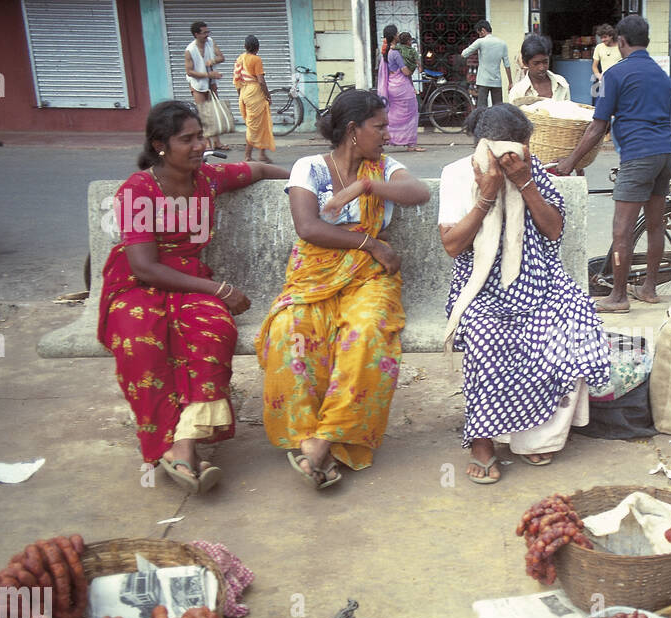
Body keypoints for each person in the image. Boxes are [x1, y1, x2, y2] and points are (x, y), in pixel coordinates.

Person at [99, 101, 288, 493]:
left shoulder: (208, 179)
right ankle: (168, 445)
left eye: (200, 136)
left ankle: (184, 443)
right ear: (160, 145)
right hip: (138, 284)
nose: (200, 145)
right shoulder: (137, 190)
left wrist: (308, 180)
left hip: (188, 283)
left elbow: (258, 169)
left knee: (214, 330)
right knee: (141, 341)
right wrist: (219, 289)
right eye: (188, 139)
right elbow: (144, 267)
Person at [257, 90, 430, 489]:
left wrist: (367, 186)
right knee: (290, 332)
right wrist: (372, 243)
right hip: (317, 273)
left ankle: (323, 442)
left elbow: (419, 193)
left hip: (369, 278)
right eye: (380, 126)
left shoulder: (384, 168)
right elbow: (308, 227)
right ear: (353, 130)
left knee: (367, 332)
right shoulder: (309, 168)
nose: (388, 133)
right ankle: (310, 440)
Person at [438, 105, 610, 484]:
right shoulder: (457, 175)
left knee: (574, 314)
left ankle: (538, 435)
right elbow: (452, 246)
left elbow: (552, 232)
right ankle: (482, 442)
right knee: (486, 335)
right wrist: (487, 194)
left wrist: (525, 183)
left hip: (539, 279)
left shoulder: (536, 174)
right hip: (480, 287)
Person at [554, 15, 671, 313]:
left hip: (637, 156)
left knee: (621, 231)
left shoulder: (613, 74)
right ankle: (648, 288)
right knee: (655, 223)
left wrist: (570, 161)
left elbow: (598, 126)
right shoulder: (663, 76)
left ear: (621, 41)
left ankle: (619, 296)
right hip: (666, 154)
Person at [184, 21, 230, 151]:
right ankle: (207, 143)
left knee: (213, 111)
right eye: (204, 32)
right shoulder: (190, 50)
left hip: (211, 82)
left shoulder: (210, 42)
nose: (207, 35)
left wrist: (213, 60)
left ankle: (217, 142)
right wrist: (208, 75)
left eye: (207, 32)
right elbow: (189, 71)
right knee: (204, 114)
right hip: (198, 84)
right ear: (196, 34)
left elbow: (221, 57)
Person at [378, 25, 423, 152]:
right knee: (412, 113)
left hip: (392, 86)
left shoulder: (387, 53)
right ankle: (410, 144)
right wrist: (414, 66)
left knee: (393, 114)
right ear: (393, 36)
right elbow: (406, 72)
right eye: (397, 33)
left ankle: (383, 136)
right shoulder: (396, 53)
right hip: (402, 87)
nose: (399, 35)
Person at [232, 35, 274, 164]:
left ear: (245, 47)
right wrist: (267, 95)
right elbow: (261, 81)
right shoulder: (256, 59)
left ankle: (262, 154)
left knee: (261, 124)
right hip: (255, 93)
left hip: (245, 92)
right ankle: (248, 156)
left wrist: (241, 95)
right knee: (254, 126)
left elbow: (237, 79)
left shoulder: (240, 58)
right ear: (258, 48)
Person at [462, 19, 513, 109]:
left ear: (483, 30)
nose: (479, 35)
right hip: (497, 81)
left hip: (483, 81)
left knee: (481, 108)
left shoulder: (480, 42)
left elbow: (464, 54)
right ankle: (497, 123)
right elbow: (507, 65)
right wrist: (510, 82)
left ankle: (483, 123)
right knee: (498, 108)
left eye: (479, 33)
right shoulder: (502, 43)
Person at [508, 34, 571, 102]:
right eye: (536, 63)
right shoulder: (517, 92)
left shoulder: (561, 83)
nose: (542, 68)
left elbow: (568, 110)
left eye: (545, 62)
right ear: (525, 63)